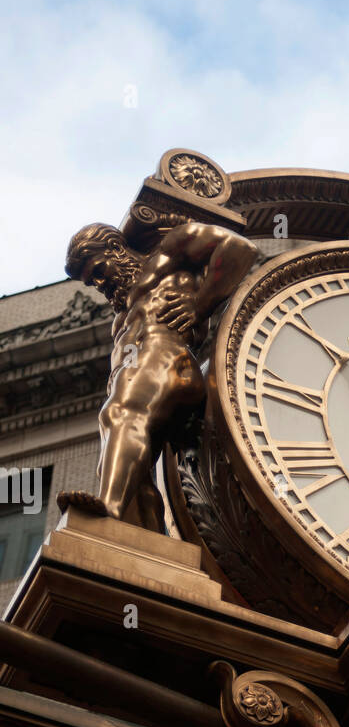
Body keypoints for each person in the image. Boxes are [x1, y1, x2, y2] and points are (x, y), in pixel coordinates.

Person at [61, 221, 258, 530]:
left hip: (168, 360)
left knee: (119, 414)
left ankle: (110, 508)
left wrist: (200, 302)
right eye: (92, 283)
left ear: (115, 250)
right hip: (144, 376)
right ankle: (141, 540)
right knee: (128, 460)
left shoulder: (169, 254)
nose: (100, 284)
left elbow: (240, 248)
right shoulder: (122, 316)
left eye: (99, 271)